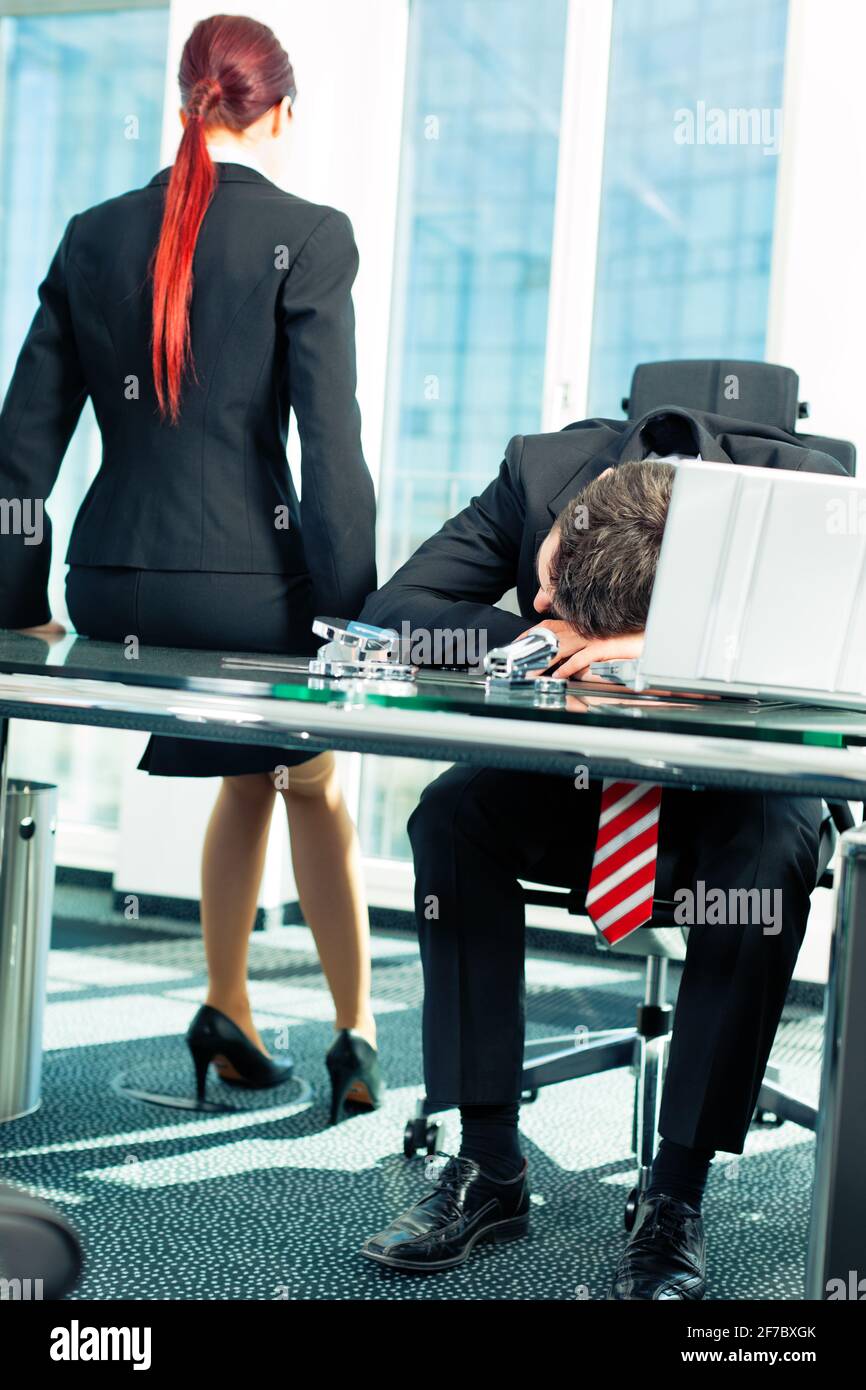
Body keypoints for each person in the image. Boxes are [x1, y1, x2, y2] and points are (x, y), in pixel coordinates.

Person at [358, 407, 844, 1295]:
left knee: (772, 858)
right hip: (576, 777)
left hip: (726, 790)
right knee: (449, 818)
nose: (536, 597)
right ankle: (490, 1164)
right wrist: (549, 640)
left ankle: (676, 1192)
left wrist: (670, 654)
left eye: (552, 604)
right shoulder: (541, 473)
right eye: (547, 581)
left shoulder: (804, 494)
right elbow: (394, 609)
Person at [0, 14, 382, 1124]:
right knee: (307, 771)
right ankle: (355, 1031)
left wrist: (17, 608)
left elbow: (23, 449)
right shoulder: (310, 235)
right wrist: (349, 623)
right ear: (282, 114)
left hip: (110, 588)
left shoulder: (92, 234)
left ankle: (227, 1003)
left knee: (252, 764)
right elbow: (333, 454)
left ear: (187, 103)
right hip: (252, 595)